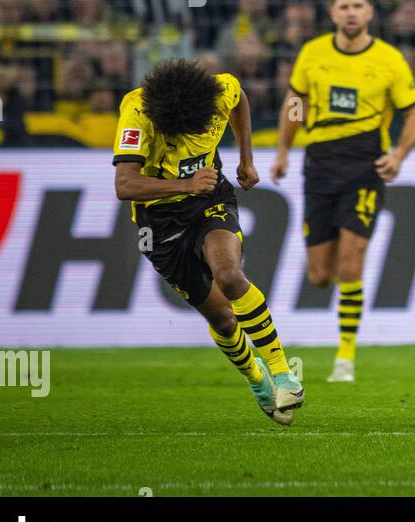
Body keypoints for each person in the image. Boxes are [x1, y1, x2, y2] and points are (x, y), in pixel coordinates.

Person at [112, 59, 304, 424]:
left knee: (229, 275)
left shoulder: (220, 90)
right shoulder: (137, 110)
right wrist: (185, 184)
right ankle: (257, 379)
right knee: (223, 318)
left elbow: (240, 100)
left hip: (210, 201)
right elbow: (124, 185)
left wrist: (246, 160)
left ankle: (283, 375)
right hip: (159, 222)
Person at [270, 0, 415, 383]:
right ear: (332, 13)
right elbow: (295, 103)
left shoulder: (390, 60)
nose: (351, 12)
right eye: (344, 7)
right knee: (320, 275)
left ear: (370, 11)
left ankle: (345, 358)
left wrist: (399, 154)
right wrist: (284, 151)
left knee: (351, 261)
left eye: (358, 6)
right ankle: (340, 315)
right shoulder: (312, 53)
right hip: (319, 165)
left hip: (364, 166)